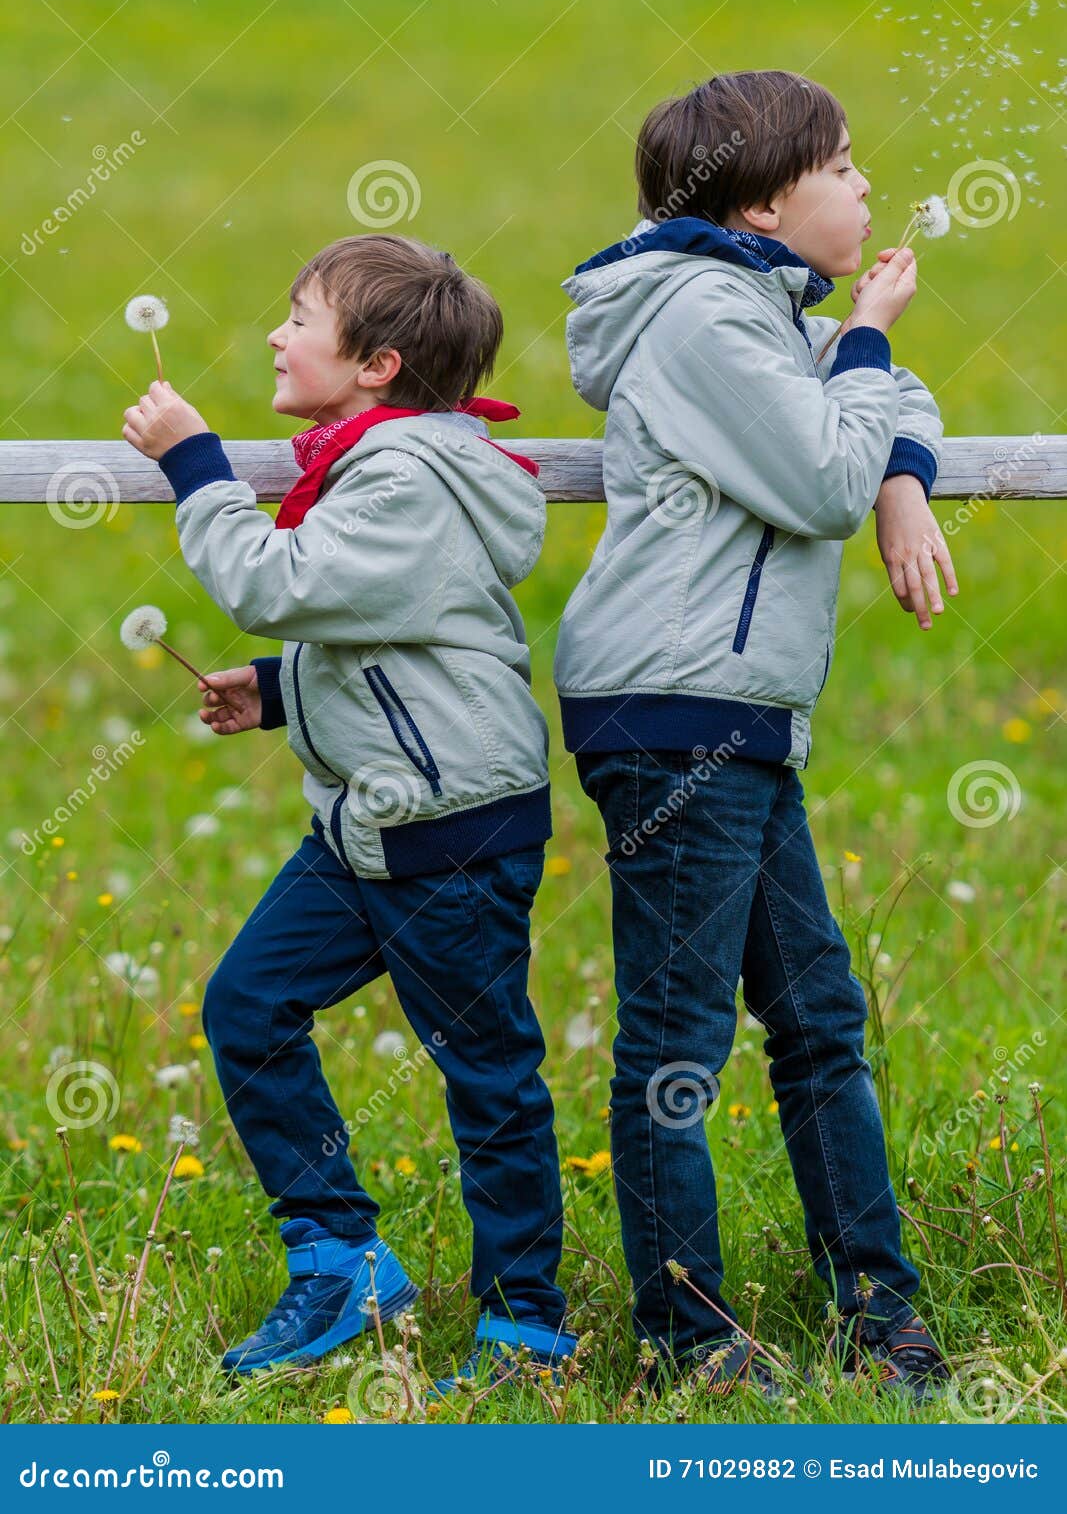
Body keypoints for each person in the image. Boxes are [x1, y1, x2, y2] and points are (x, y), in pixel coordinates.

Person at [553, 70, 958, 1403]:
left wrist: (903, 475)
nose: (863, 185)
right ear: (766, 204)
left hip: (734, 716)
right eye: (839, 165)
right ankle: (687, 1344)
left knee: (816, 1017)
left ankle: (877, 1312)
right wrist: (868, 346)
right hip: (674, 715)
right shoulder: (704, 320)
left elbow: (887, 414)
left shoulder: (760, 313)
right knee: (676, 1043)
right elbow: (825, 471)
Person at [121, 233, 574, 1383]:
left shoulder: (404, 477)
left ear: (376, 365)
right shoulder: (376, 462)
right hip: (366, 823)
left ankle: (524, 1324)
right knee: (250, 1004)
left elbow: (275, 584)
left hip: (447, 830)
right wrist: (281, 690)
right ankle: (340, 1260)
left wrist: (195, 464)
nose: (275, 335)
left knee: (485, 1075)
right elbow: (400, 628)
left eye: (298, 317)